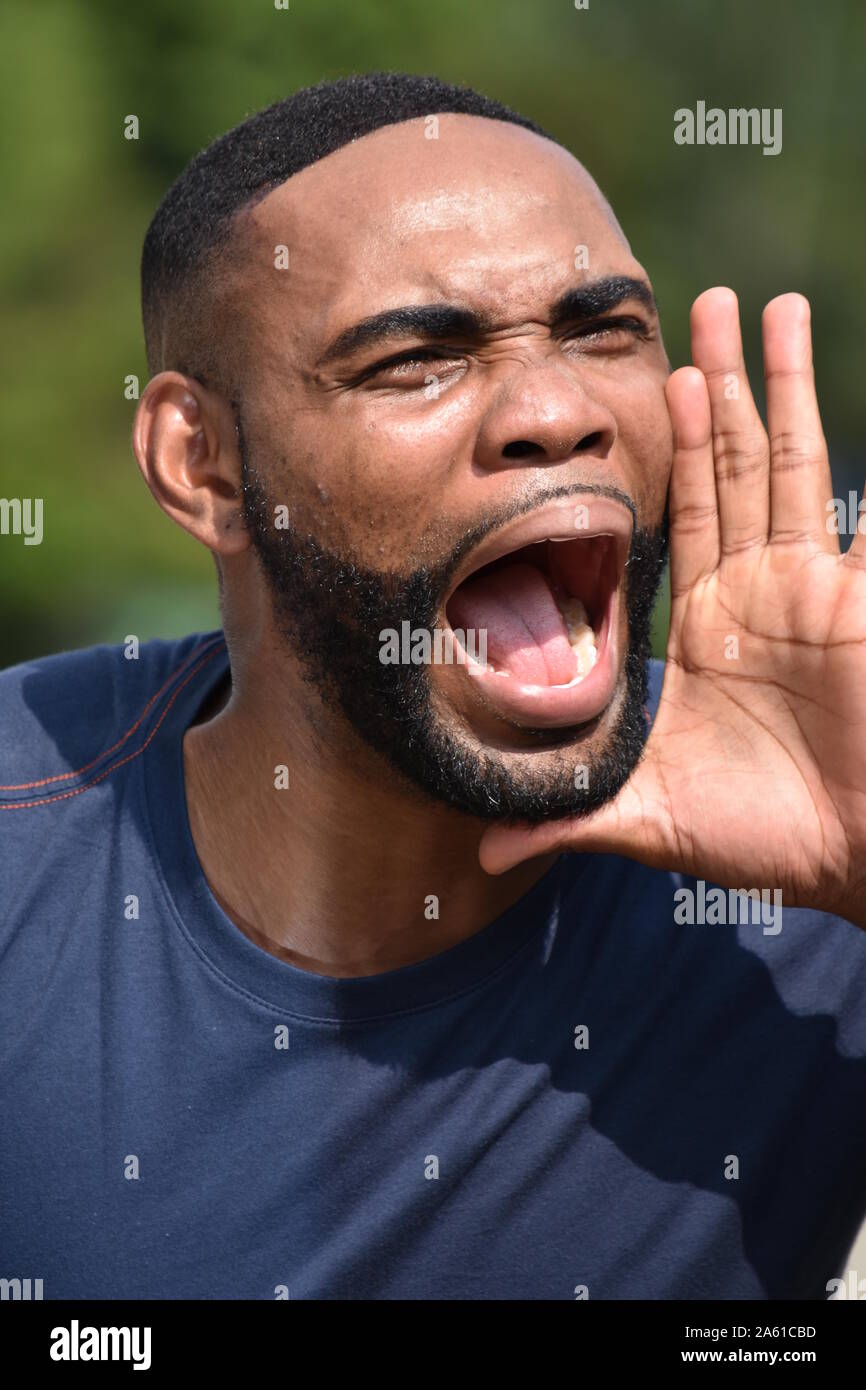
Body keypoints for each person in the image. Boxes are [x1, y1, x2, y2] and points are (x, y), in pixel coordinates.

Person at [2, 72, 865, 1301]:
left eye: (601, 331)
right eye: (414, 359)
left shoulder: (802, 879)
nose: (554, 411)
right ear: (202, 464)